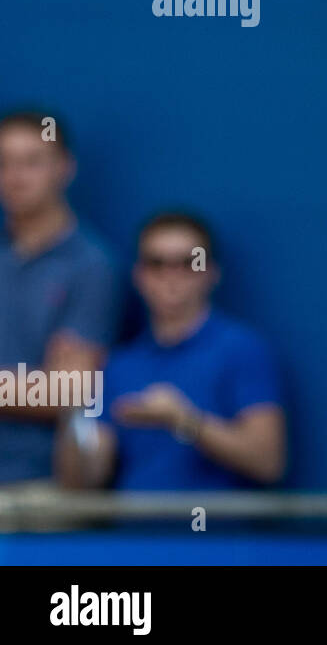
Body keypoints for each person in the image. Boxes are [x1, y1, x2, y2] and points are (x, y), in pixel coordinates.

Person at [56, 212, 287, 489]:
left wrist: (183, 420)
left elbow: (267, 461)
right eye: (156, 263)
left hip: (210, 519)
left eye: (189, 263)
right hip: (133, 518)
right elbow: (85, 480)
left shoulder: (243, 350)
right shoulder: (119, 365)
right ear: (139, 275)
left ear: (211, 272)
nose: (171, 275)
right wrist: (73, 407)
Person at [0, 110, 116, 486]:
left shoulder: (90, 265)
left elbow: (67, 391)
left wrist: (51, 387)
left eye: (32, 162)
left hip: (35, 484)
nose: (15, 176)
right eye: (4, 163)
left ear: (64, 168)